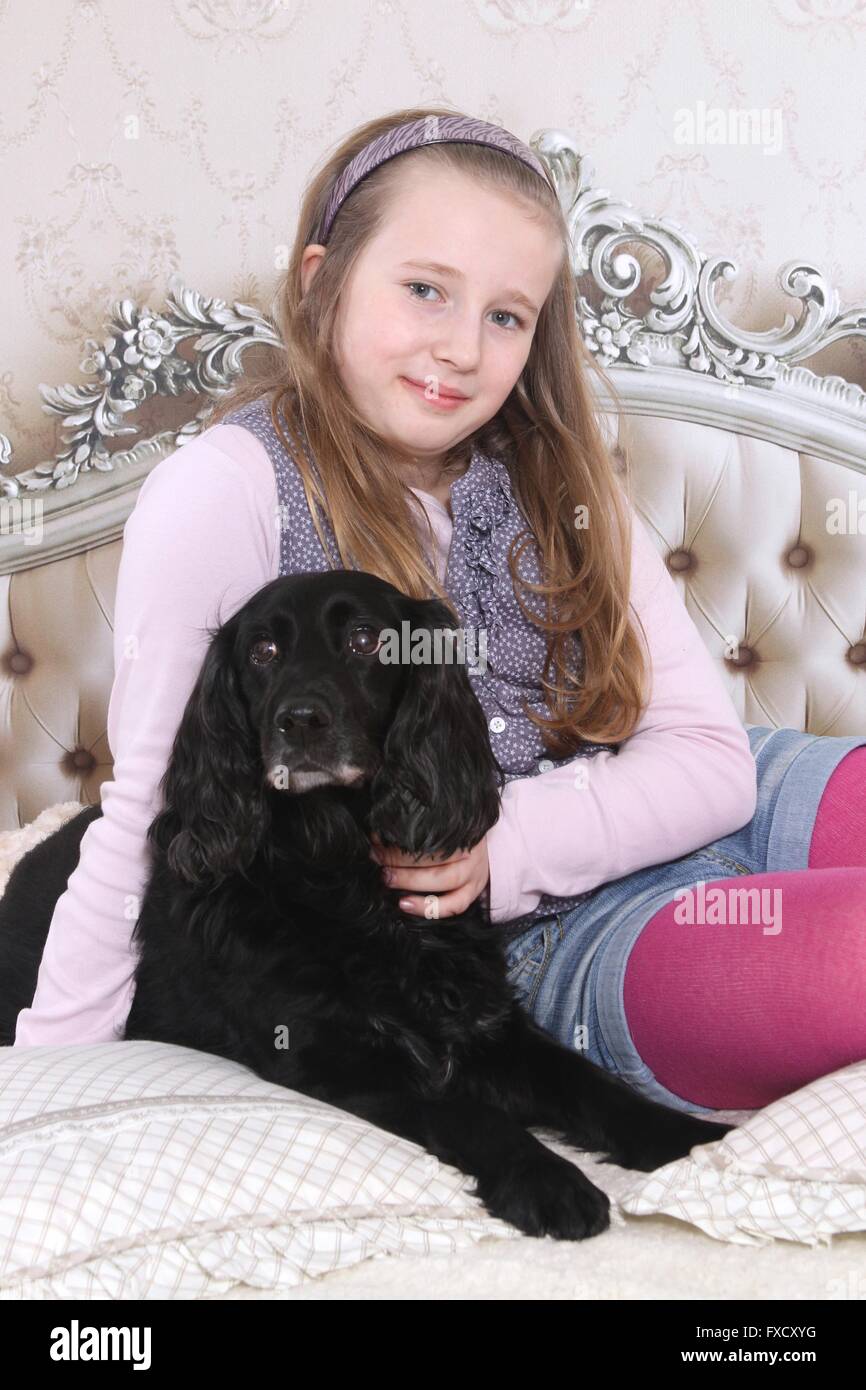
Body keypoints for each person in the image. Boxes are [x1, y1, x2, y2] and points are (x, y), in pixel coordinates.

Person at [13, 108, 866, 1119]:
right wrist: (45, 1092)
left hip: (677, 800)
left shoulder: (556, 477)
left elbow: (713, 765)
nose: (460, 348)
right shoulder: (227, 490)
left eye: (506, 316)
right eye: (424, 289)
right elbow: (151, 816)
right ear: (321, 276)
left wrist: (514, 837)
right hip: (525, 924)